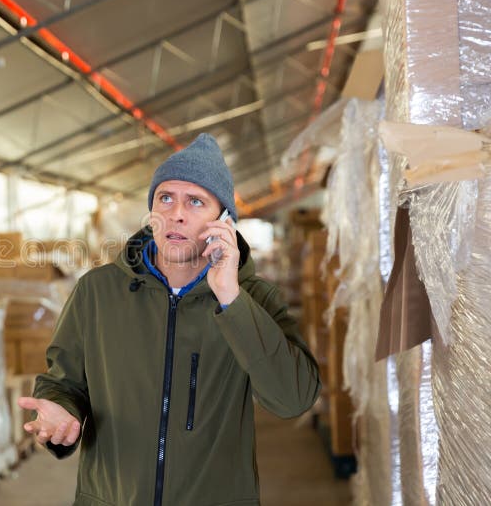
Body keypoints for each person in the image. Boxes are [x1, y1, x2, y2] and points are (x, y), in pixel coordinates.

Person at [17, 133, 321, 506]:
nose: (177, 213)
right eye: (166, 198)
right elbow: (62, 381)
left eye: (195, 201)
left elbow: (292, 398)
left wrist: (230, 297)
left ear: (224, 220)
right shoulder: (97, 292)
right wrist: (60, 411)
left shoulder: (253, 301)